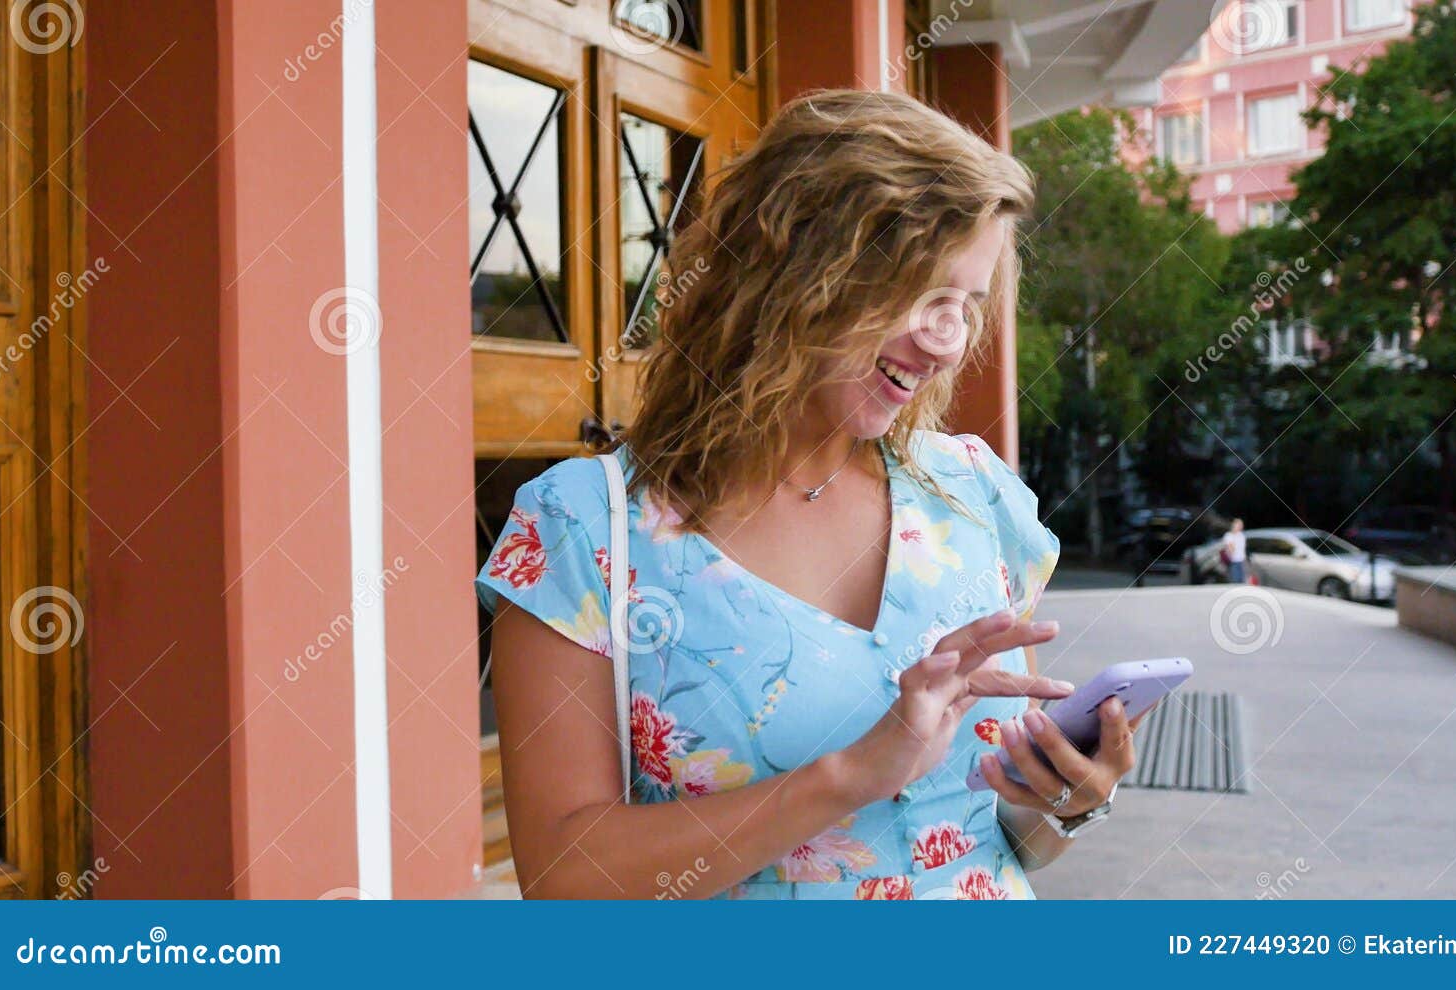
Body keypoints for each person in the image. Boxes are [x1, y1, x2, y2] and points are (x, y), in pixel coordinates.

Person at [476, 90, 1147, 900]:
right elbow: (562, 880)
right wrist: (851, 774)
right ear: (794, 273)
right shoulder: (583, 528)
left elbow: (1004, 838)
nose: (946, 342)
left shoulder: (973, 493)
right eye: (921, 293)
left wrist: (1070, 800)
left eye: (965, 305)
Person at [1222, 518, 1248, 583]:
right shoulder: (1228, 535)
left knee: (1242, 580)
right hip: (1233, 561)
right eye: (1239, 525)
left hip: (1242, 560)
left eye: (1241, 525)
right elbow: (1230, 548)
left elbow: (1243, 548)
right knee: (1235, 580)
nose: (1241, 526)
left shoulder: (1241, 535)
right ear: (1234, 525)